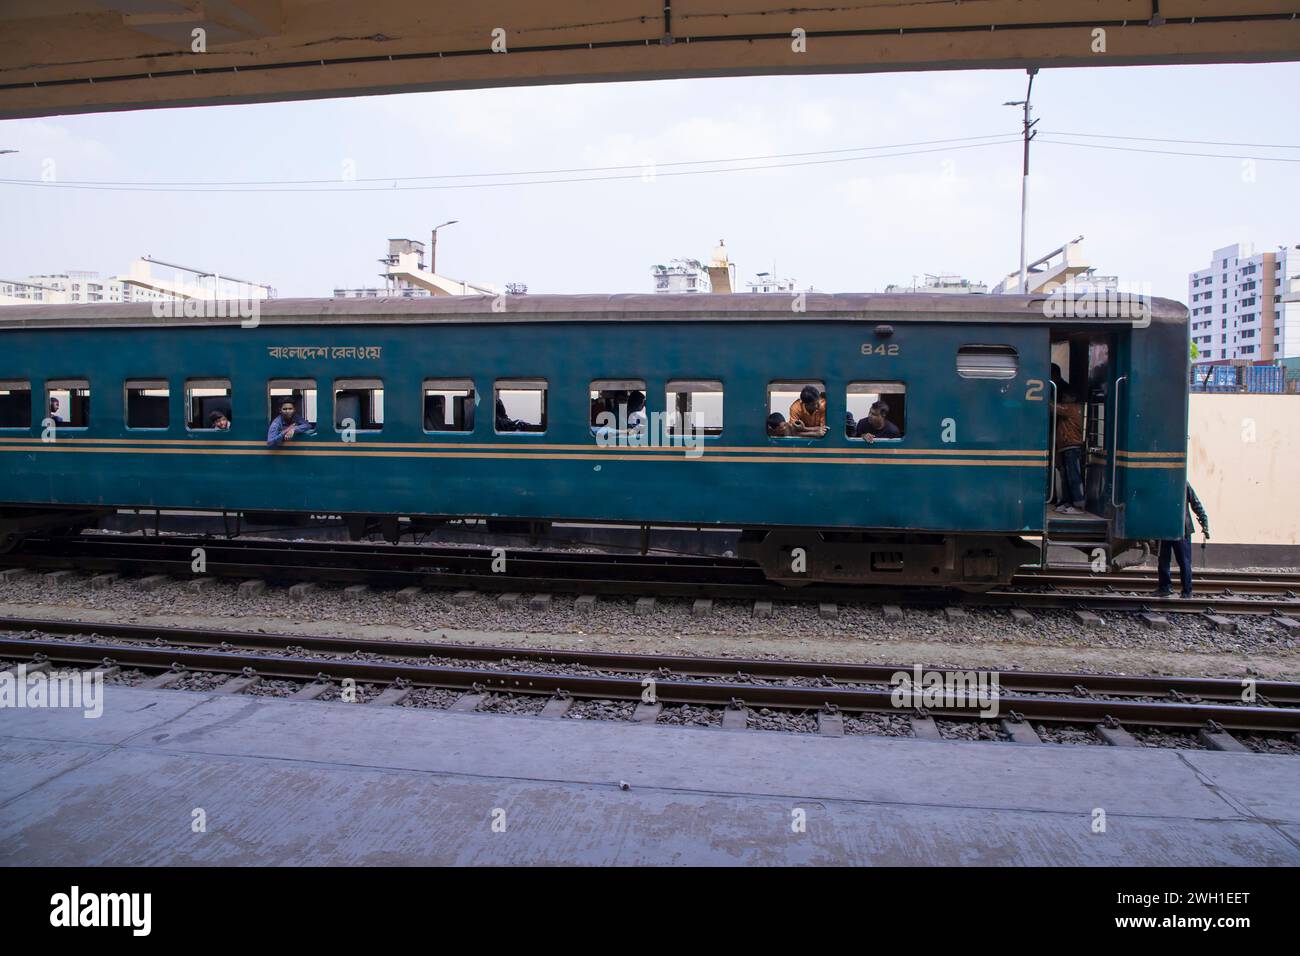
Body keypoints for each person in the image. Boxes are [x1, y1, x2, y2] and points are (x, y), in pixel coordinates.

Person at [1156, 483, 1210, 599]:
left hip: (1169, 527)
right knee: (1182, 561)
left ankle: (1167, 588)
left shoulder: (1162, 481)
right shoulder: (1183, 482)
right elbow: (1196, 503)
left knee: (1166, 560)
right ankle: (1185, 590)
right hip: (1180, 527)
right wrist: (1204, 521)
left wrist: (1204, 521)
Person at [1054, 391, 1087, 514]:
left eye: (1066, 396)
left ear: (1073, 398)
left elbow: (1053, 408)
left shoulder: (1071, 408)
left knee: (1073, 476)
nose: (1063, 398)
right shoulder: (1072, 408)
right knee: (1067, 476)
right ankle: (1068, 503)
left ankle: (1078, 504)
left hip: (1071, 445)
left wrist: (1046, 397)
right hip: (1067, 446)